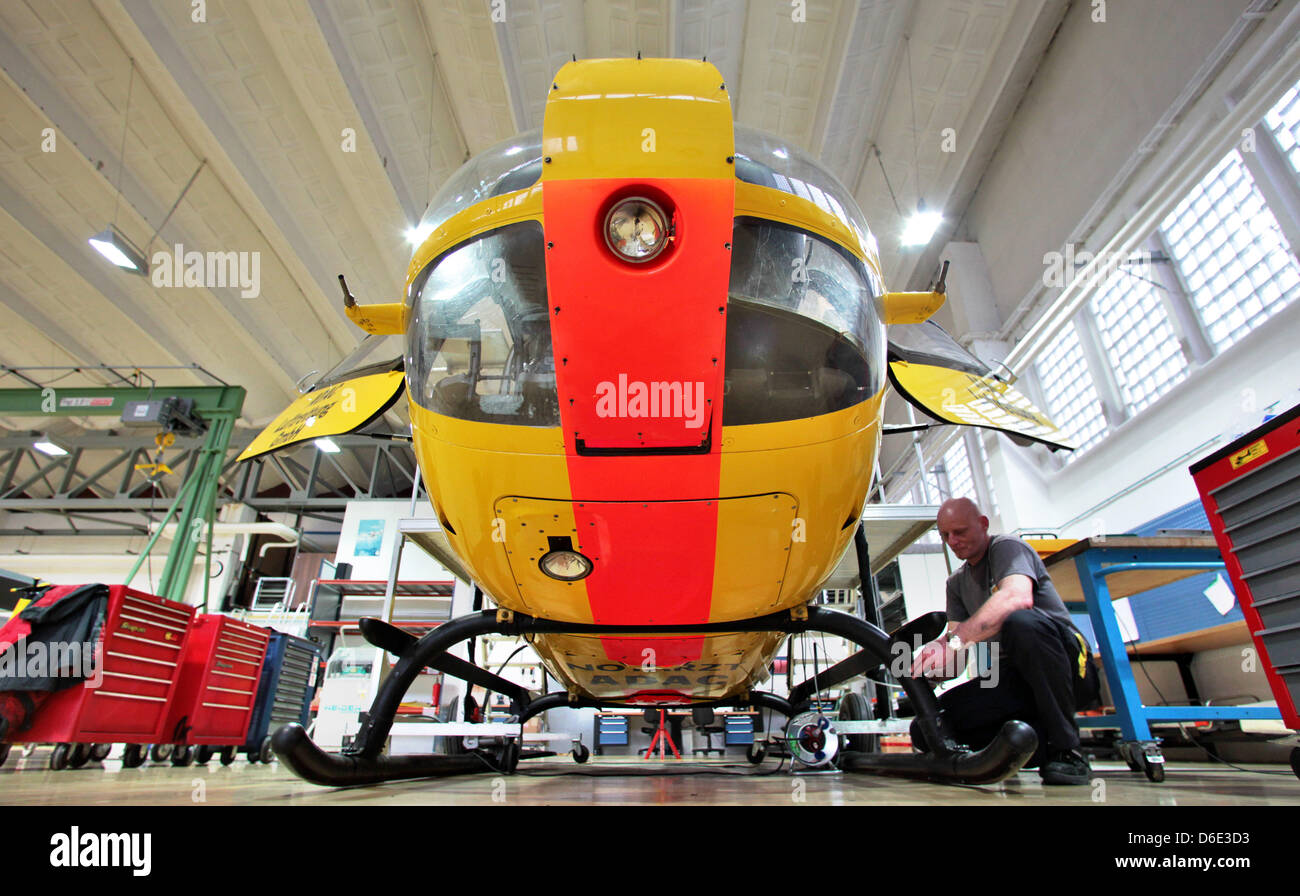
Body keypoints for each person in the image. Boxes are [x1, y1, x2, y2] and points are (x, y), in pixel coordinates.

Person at [910, 497, 1098, 785]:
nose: (953, 541)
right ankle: (1032, 750)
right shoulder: (956, 584)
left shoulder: (1007, 548)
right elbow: (957, 654)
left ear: (983, 524)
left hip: (1068, 667)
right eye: (945, 535)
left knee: (1022, 622)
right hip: (1016, 680)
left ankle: (1067, 750)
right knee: (929, 729)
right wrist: (930, 668)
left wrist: (954, 642)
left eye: (960, 532)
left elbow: (1017, 598)